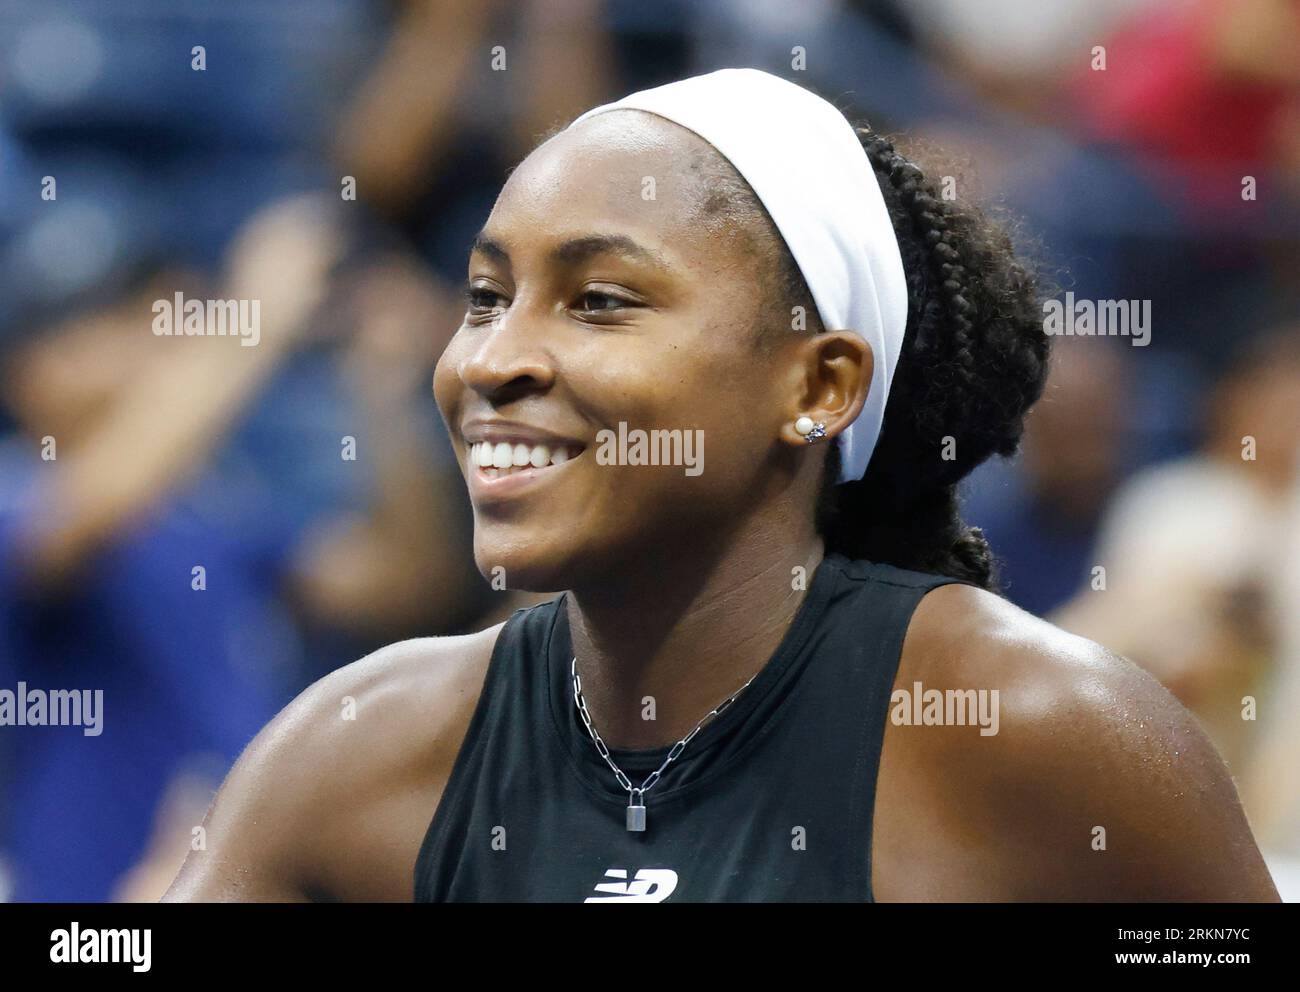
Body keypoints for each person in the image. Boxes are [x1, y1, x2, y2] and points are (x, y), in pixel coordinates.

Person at [163, 68, 1279, 902]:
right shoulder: (358, 744)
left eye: (599, 299)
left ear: (818, 381)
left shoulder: (1046, 733)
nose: (491, 359)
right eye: (485, 293)